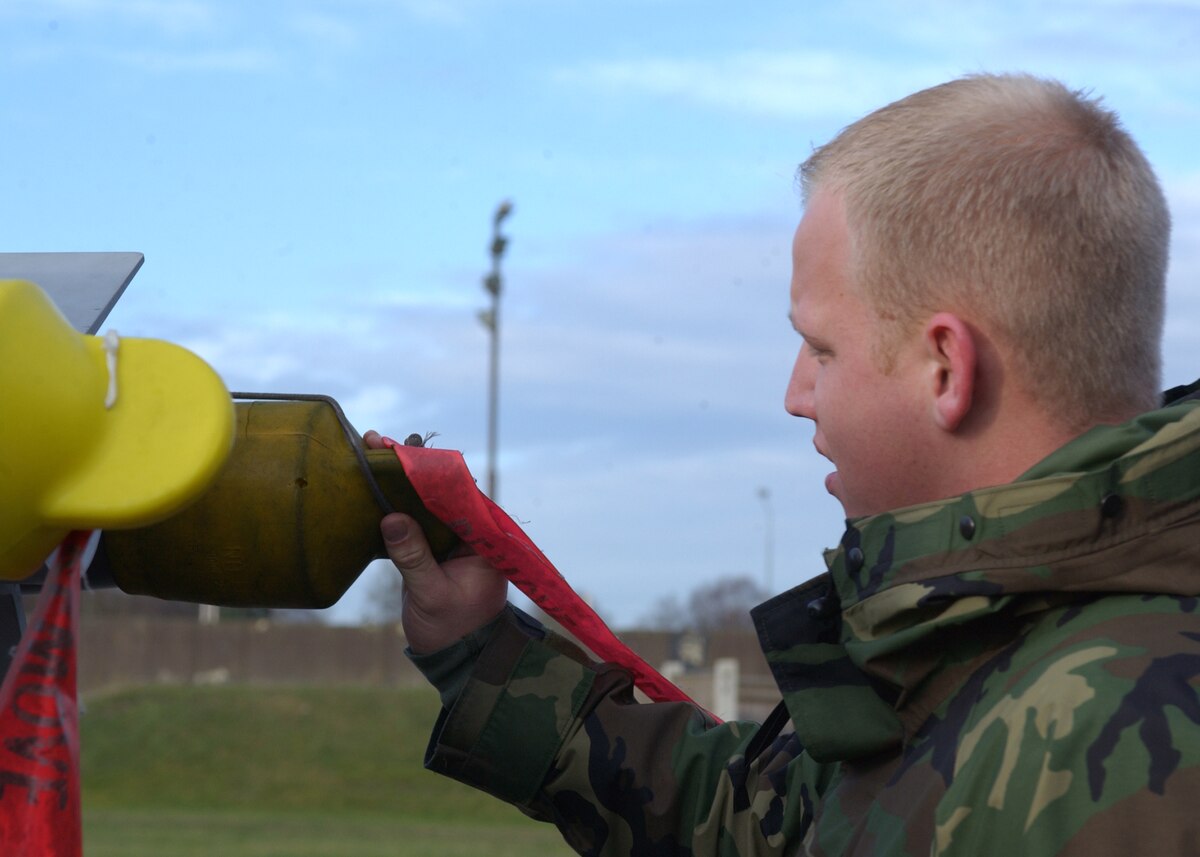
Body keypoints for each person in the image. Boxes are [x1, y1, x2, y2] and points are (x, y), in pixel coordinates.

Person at [365, 73, 1200, 855]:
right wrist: (480, 650)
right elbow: (769, 824)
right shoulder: (987, 638)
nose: (796, 394)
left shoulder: (1122, 741)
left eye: (821, 348)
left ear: (945, 368)